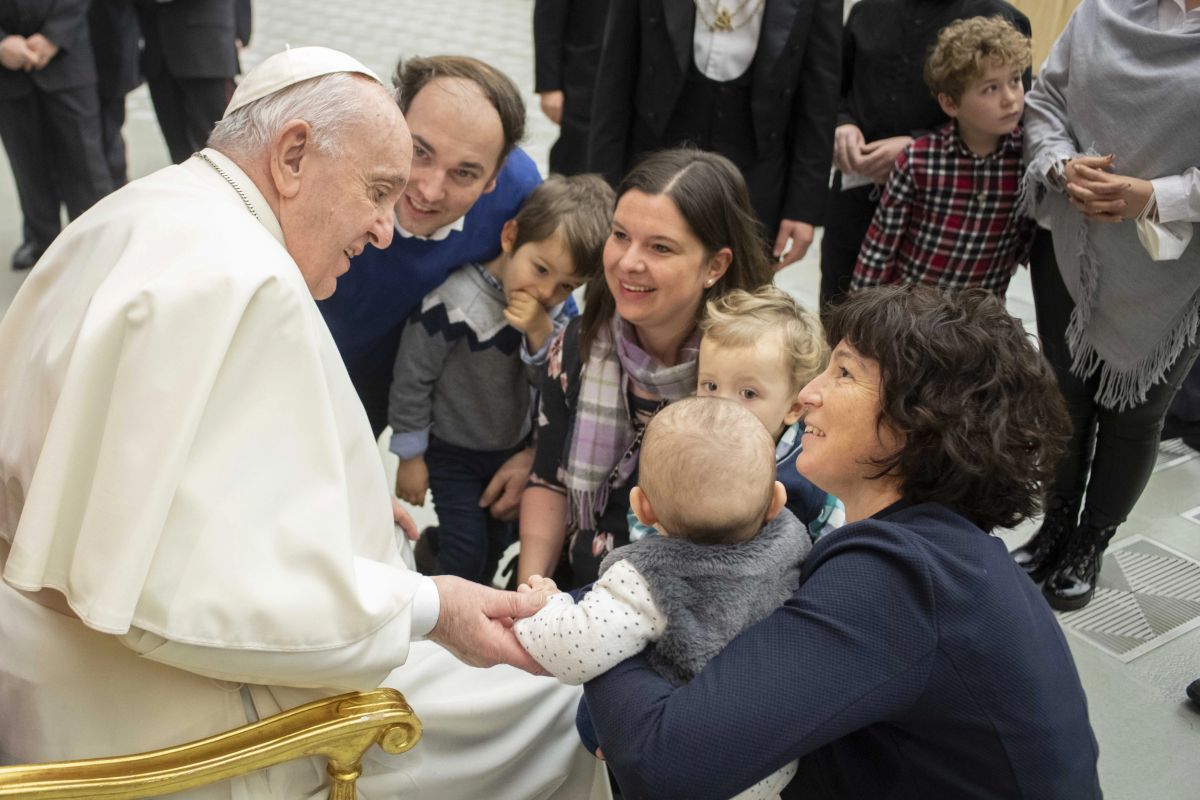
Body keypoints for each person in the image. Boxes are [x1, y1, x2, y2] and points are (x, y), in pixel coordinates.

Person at [0, 47, 606, 800]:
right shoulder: (243, 278)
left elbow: (172, 481)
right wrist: (433, 605)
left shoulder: (142, 207)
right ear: (292, 156)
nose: (386, 229)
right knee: (566, 710)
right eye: (378, 191)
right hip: (172, 715)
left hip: (61, 664)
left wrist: (345, 507)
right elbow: (180, 591)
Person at [583, 286, 1102, 799]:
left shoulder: (897, 577)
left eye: (845, 373)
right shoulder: (944, 550)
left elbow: (661, 763)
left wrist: (599, 631)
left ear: (919, 418)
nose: (809, 392)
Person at [515, 397, 811, 800]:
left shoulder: (647, 578)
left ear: (642, 508)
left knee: (584, 719)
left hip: (686, 760)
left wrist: (546, 606)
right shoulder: (793, 541)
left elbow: (573, 649)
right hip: (774, 758)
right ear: (776, 501)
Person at [1013, 0, 1200, 612]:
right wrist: (1061, 166)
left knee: (1135, 413)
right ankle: (1056, 525)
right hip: (1075, 241)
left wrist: (1158, 196)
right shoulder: (1102, 8)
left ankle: (1091, 542)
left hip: (1175, 269)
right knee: (1062, 393)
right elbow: (1045, 100)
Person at [517, 148, 775, 589]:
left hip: (694, 601)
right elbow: (549, 483)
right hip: (576, 593)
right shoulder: (577, 346)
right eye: (620, 235)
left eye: (660, 247)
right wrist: (529, 595)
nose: (627, 262)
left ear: (715, 266)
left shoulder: (752, 377)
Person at [320, 55, 546, 525]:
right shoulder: (329, 158)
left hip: (402, 383)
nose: (428, 189)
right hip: (301, 351)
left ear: (494, 178)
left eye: (464, 173)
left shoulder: (520, 197)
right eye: (419, 151)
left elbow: (555, 317)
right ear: (391, 121)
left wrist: (536, 453)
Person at [390, 174, 614, 583]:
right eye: (540, 269)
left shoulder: (558, 318)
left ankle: (435, 553)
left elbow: (555, 388)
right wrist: (410, 455)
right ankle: (441, 610)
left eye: (567, 285)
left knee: (494, 543)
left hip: (510, 448)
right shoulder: (454, 301)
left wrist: (540, 332)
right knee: (467, 551)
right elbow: (412, 377)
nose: (546, 292)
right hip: (451, 451)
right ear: (511, 237)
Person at [586, 0, 842, 270]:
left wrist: (802, 209)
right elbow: (614, 77)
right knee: (634, 271)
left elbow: (820, 99)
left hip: (758, 169)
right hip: (654, 154)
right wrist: (602, 187)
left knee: (741, 284)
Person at [820, 0, 1030, 305]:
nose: (1008, 95)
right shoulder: (867, 10)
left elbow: (1017, 118)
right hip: (854, 202)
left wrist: (917, 144)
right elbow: (831, 87)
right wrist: (843, 123)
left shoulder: (999, 17)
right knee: (837, 308)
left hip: (949, 221)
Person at [696, 286, 843, 539]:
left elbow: (833, 539)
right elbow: (650, 509)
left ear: (794, 408)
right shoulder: (684, 445)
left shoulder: (812, 473)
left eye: (748, 393)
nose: (721, 406)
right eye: (710, 386)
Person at [0, 0, 112, 270]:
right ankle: (42, 244)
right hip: (7, 71)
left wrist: (53, 36)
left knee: (85, 163)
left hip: (68, 58)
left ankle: (98, 244)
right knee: (27, 165)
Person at [137, 0, 243, 164]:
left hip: (207, 45)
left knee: (225, 144)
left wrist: (242, 31)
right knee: (178, 147)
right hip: (157, 47)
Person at [533, 0, 610, 175]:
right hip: (582, 77)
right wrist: (549, 86)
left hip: (631, 82)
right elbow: (548, 16)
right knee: (575, 156)